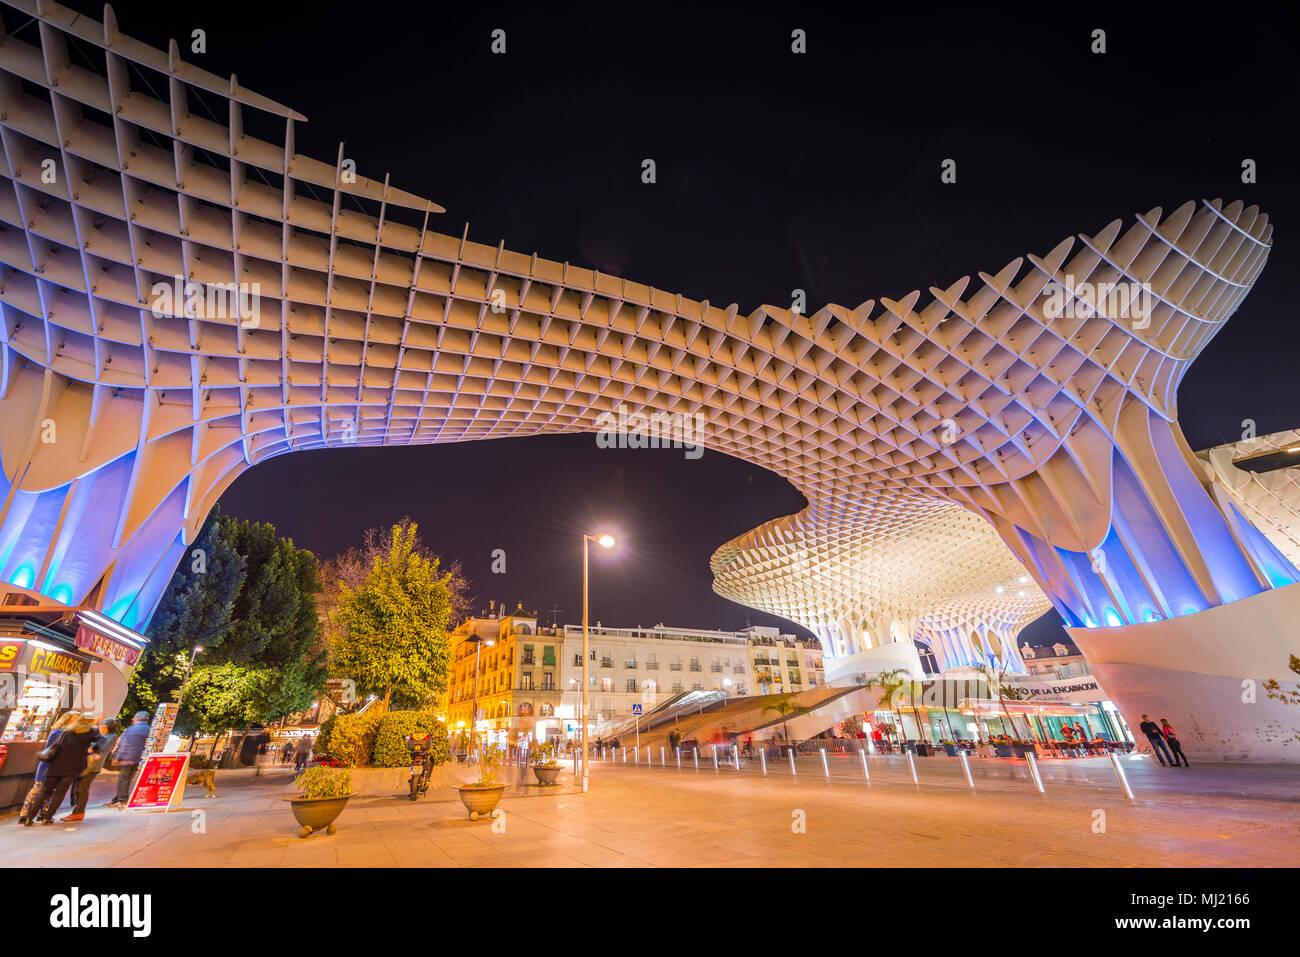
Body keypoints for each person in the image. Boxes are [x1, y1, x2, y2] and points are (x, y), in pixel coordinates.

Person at [23, 713, 100, 825]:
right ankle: (47, 818)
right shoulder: (91, 733)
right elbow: (98, 744)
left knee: (45, 791)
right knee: (60, 792)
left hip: (57, 765)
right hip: (73, 767)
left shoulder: (67, 731)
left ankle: (29, 818)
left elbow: (57, 745)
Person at [17, 712, 79, 825]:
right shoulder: (58, 733)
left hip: (55, 767)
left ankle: (43, 813)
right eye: (75, 719)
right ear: (67, 720)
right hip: (47, 766)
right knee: (37, 790)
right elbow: (56, 750)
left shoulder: (65, 733)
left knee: (49, 792)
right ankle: (24, 814)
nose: (77, 722)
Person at [65, 718, 120, 821]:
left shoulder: (112, 736)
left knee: (82, 788)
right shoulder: (102, 735)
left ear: (108, 726)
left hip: (93, 766)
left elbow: (100, 748)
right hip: (88, 763)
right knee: (79, 787)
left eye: (102, 724)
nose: (100, 726)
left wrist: (93, 746)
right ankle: (77, 811)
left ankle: (79, 812)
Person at [107, 710, 152, 806]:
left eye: (134, 718)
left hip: (127, 757)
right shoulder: (150, 730)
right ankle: (117, 799)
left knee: (123, 779)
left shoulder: (130, 730)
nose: (132, 719)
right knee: (127, 779)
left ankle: (122, 800)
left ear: (137, 719)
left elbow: (122, 744)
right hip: (139, 758)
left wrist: (116, 757)